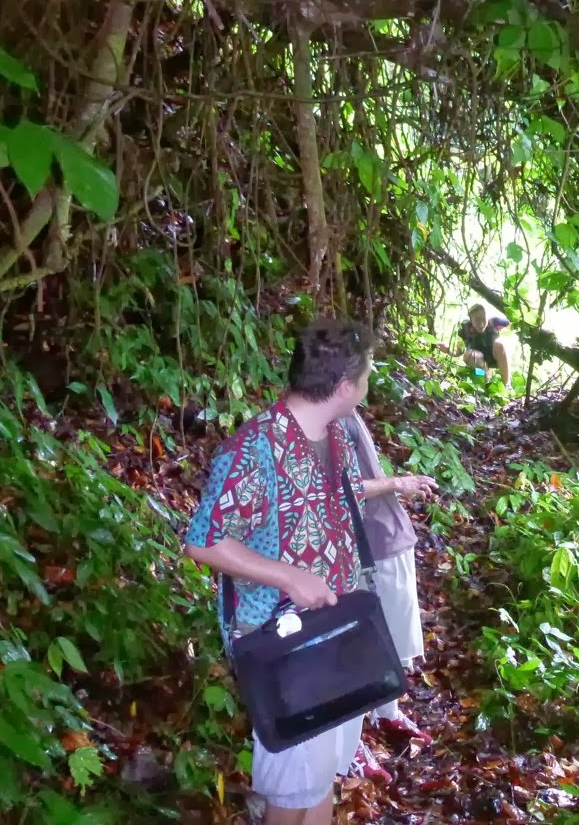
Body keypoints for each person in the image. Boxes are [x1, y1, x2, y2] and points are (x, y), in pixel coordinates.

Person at [182, 319, 376, 825]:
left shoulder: (339, 440)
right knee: (290, 790)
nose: (370, 381)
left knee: (320, 776)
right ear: (344, 387)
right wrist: (289, 576)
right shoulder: (255, 449)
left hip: (335, 633)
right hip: (284, 642)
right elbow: (203, 541)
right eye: (368, 372)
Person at [340, 410, 436, 783]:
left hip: (385, 538)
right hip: (363, 547)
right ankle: (350, 746)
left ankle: (387, 713)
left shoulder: (347, 410)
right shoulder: (326, 415)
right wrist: (398, 483)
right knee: (363, 650)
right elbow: (339, 487)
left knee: (391, 641)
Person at [451, 303, 510, 386]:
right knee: (469, 354)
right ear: (471, 320)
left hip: (494, 357)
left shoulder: (495, 322)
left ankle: (506, 385)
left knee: (499, 345)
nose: (481, 324)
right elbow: (458, 351)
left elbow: (513, 323)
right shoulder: (465, 328)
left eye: (483, 319)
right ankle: (484, 381)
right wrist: (448, 350)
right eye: (477, 320)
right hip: (477, 360)